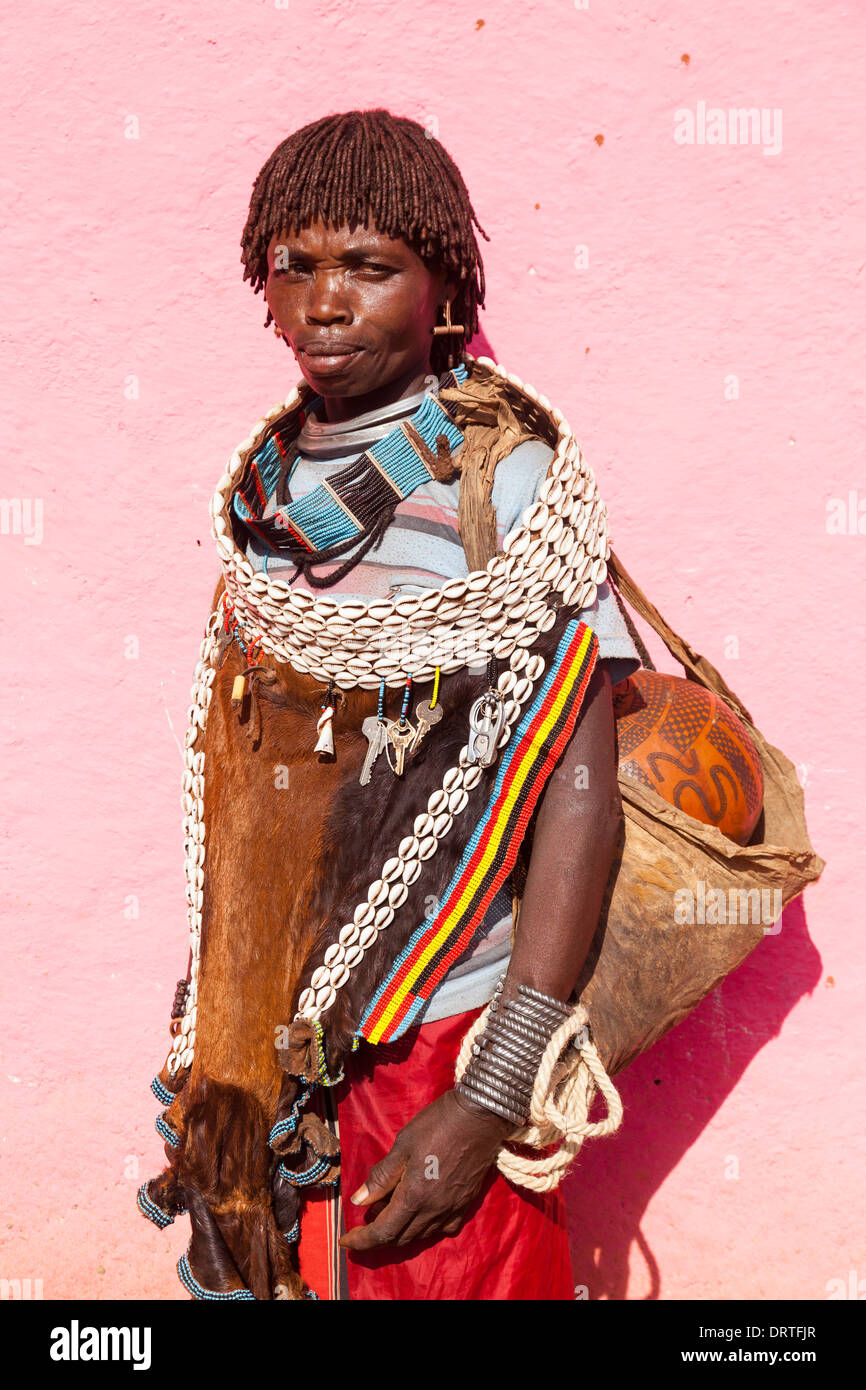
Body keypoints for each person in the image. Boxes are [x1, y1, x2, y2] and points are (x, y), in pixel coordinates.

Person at [142, 107, 641, 1302]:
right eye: (293, 267)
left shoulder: (501, 484)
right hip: (263, 1026)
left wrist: (492, 1088)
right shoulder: (263, 496)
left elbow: (579, 790)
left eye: (368, 268)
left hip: (441, 1023)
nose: (324, 302)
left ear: (443, 287)